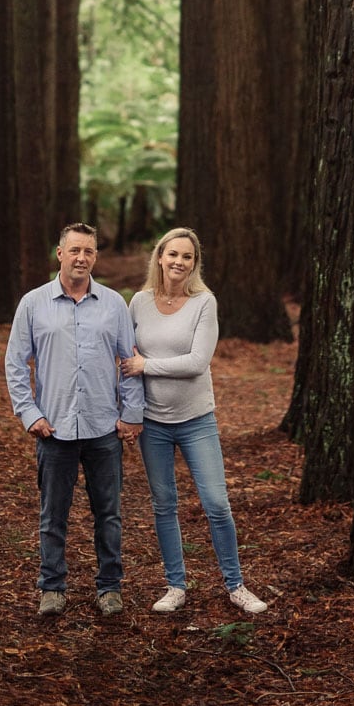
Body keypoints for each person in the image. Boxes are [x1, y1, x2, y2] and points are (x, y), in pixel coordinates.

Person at [122, 226, 268, 617]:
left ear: (194, 263)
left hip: (196, 419)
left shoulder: (204, 302)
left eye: (187, 257)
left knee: (217, 503)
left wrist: (146, 365)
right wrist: (128, 411)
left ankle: (235, 585)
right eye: (173, 254)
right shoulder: (137, 302)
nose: (179, 262)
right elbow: (124, 359)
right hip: (152, 421)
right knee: (164, 504)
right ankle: (175, 585)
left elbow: (197, 362)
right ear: (159, 257)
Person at [5, 223, 145, 618]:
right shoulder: (33, 304)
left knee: (109, 514)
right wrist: (29, 413)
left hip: (104, 428)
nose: (81, 257)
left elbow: (129, 362)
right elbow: (15, 363)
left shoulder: (115, 304)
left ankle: (109, 587)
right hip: (55, 429)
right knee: (53, 516)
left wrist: (131, 415)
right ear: (60, 254)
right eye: (74, 250)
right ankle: (52, 587)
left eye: (89, 251)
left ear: (95, 257)